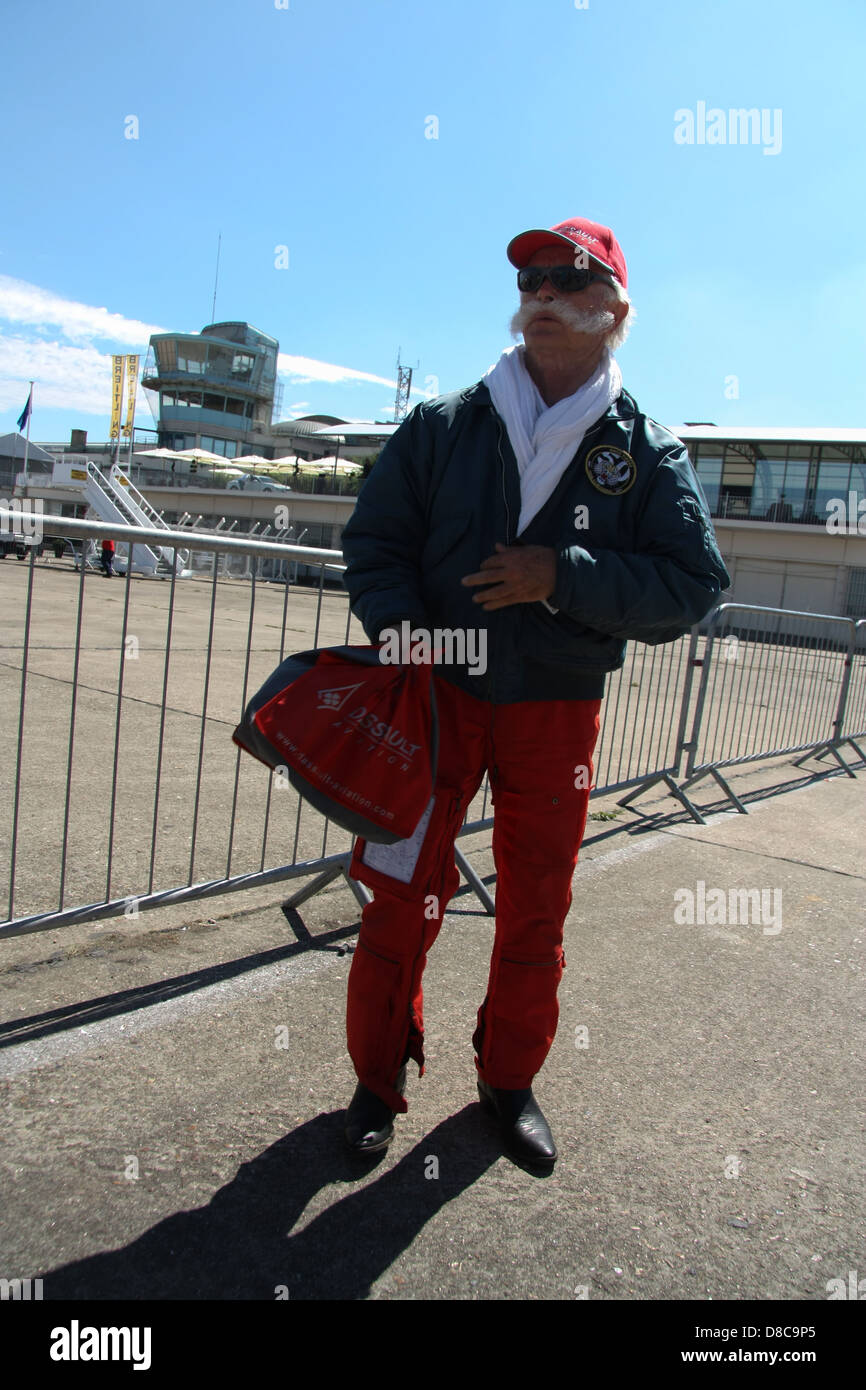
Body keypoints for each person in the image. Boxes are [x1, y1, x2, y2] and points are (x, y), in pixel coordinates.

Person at [339, 216, 731, 1167]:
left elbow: (694, 585)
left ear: (613, 311)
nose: (544, 295)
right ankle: (375, 1082)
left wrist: (562, 575)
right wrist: (404, 635)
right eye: (532, 281)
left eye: (569, 279)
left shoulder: (648, 450)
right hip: (436, 697)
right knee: (398, 892)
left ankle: (507, 1085)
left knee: (536, 906)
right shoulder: (445, 425)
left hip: (557, 708)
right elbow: (375, 544)